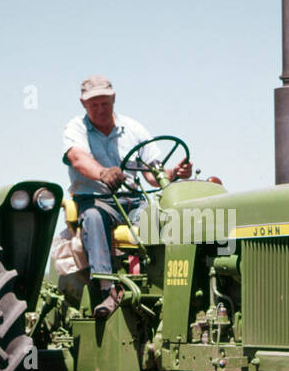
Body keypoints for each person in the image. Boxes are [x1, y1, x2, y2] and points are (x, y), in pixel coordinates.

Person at [62, 75, 192, 319]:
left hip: (133, 200)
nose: (100, 110)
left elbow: (154, 175)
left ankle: (165, 284)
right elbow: (77, 158)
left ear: (113, 100)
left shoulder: (134, 129)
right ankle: (106, 289)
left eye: (105, 104)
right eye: (94, 105)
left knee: (161, 218)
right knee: (92, 218)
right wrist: (103, 172)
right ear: (83, 104)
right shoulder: (75, 129)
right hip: (96, 200)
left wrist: (175, 172)